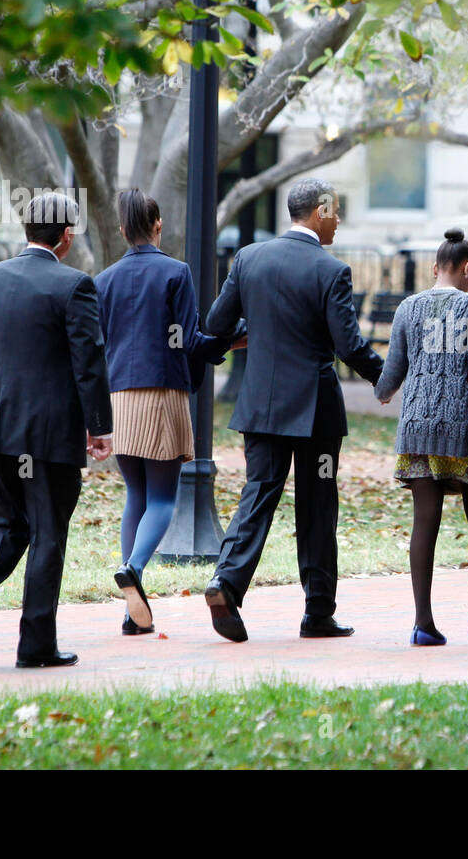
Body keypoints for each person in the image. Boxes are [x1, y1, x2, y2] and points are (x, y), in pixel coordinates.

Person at [200, 178, 382, 642]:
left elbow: (218, 324)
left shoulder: (249, 259)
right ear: (320, 211)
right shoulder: (331, 271)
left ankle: (225, 581)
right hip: (314, 411)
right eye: (336, 212)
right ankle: (318, 612)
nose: (338, 221)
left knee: (258, 492)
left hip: (260, 402)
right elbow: (349, 346)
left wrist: (257, 328)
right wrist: (387, 377)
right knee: (318, 505)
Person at [0, 193, 113, 668]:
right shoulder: (74, 285)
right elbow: (89, 362)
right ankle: (36, 645)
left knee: (5, 521)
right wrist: (99, 426)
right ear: (66, 236)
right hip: (46, 434)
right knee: (46, 532)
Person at [94, 189, 241, 636]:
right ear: (157, 224)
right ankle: (133, 570)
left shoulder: (104, 280)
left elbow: (98, 349)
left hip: (118, 398)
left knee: (135, 497)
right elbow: (190, 341)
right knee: (163, 499)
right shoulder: (176, 273)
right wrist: (232, 339)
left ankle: (130, 613)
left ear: (122, 230)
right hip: (161, 396)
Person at [375, 229, 468, 646]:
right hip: (462, 432)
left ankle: (422, 623)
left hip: (416, 431)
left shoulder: (408, 308)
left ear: (435, 268)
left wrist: (383, 391)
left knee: (424, 523)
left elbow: (390, 376)